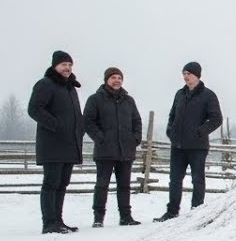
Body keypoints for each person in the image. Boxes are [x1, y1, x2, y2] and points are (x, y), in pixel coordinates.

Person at [155, 61, 222, 222]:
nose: (185, 77)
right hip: (178, 145)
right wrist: (170, 131)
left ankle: (196, 211)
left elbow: (216, 118)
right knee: (175, 179)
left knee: (197, 179)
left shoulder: (208, 95)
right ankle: (172, 211)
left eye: (188, 74)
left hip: (197, 146)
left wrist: (200, 131)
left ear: (197, 75)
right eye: (184, 74)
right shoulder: (179, 94)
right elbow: (172, 115)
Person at [27, 50, 84, 234]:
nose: (67, 68)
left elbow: (76, 115)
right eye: (63, 64)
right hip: (52, 143)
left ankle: (58, 220)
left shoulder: (70, 88)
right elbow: (34, 109)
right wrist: (56, 125)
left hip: (69, 144)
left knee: (62, 183)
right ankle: (49, 223)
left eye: (69, 65)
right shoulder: (45, 84)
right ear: (55, 66)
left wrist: (79, 130)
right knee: (51, 183)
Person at [83, 67, 143, 227]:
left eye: (119, 78)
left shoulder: (129, 101)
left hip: (126, 151)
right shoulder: (95, 99)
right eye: (113, 77)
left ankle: (126, 217)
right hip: (105, 151)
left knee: (124, 185)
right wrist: (101, 139)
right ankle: (98, 218)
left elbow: (137, 121)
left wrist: (135, 138)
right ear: (106, 80)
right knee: (102, 185)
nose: (117, 80)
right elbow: (88, 122)